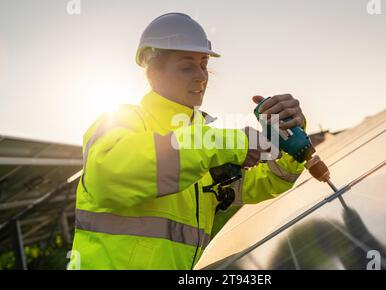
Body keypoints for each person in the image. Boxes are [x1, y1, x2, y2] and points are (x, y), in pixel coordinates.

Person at [68, 12, 307, 270]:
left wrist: (290, 139)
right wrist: (230, 144)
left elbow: (268, 182)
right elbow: (111, 173)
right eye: (186, 66)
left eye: (204, 64)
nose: (201, 76)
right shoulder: (121, 119)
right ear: (151, 71)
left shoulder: (204, 143)